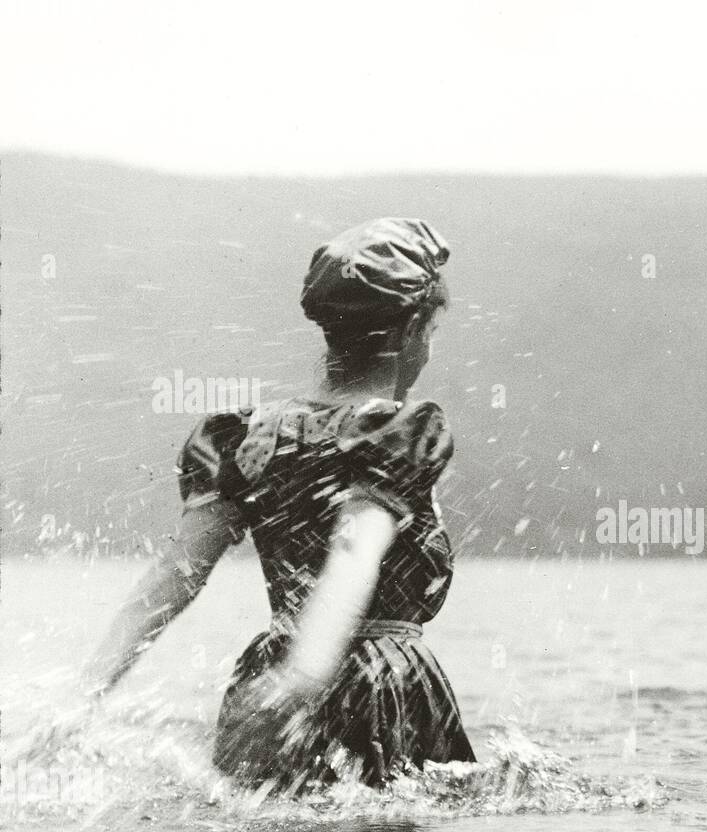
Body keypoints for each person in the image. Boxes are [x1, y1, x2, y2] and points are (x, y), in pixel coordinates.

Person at [80, 218, 476, 788]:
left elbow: (176, 575)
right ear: (411, 328)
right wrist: (308, 672)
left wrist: (84, 695)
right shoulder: (402, 430)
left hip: (267, 671)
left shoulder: (244, 437)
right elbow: (354, 546)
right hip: (373, 682)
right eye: (432, 333)